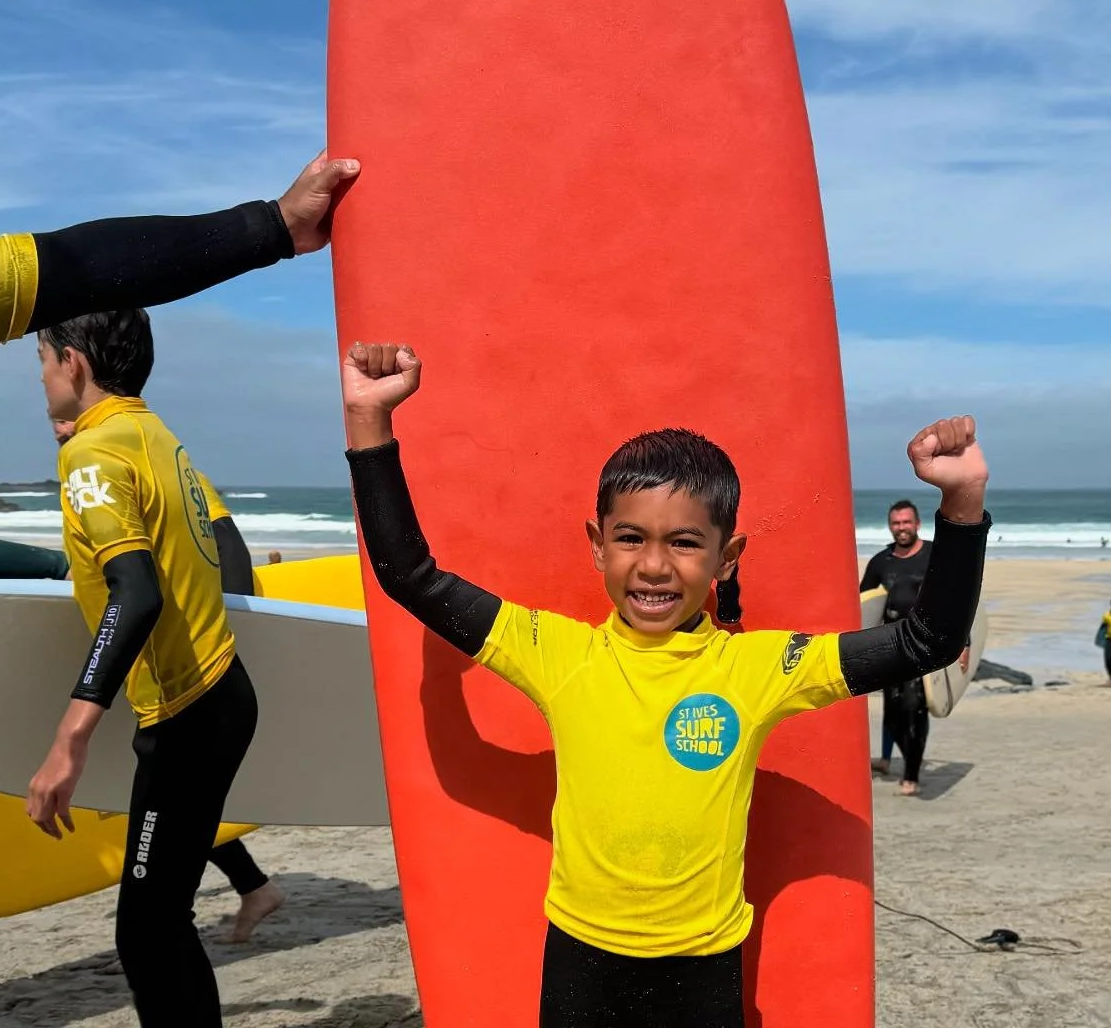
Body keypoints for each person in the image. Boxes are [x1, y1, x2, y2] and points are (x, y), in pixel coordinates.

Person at [341, 342, 988, 1028]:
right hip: (580, 961)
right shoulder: (556, 652)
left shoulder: (756, 669)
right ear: (597, 544)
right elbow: (409, 575)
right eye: (630, 538)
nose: (653, 566)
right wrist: (368, 421)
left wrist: (962, 501)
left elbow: (928, 641)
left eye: (683, 542)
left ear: (725, 556)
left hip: (703, 970)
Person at [27, 310, 258, 1025]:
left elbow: (136, 593)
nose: (39, 378)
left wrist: (70, 738)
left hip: (187, 719)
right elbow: (223, 552)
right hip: (222, 694)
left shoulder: (91, 456)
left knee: (148, 931)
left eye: (40, 361)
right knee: (161, 920)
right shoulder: (153, 434)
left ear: (72, 363)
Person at [48, 416, 284, 943]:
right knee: (170, 809)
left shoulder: (164, 471)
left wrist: (230, 629)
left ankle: (207, 911)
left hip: (192, 681)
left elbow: (228, 546)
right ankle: (247, 889)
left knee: (160, 848)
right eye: (54, 425)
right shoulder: (104, 470)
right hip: (157, 679)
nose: (61, 426)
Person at [0, 151, 359, 361]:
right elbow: (73, 270)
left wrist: (277, 226)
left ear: (71, 365)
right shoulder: (155, 445)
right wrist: (276, 226)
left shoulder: (98, 452)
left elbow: (71, 271)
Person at [858, 499, 961, 795]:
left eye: (906, 522)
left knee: (914, 709)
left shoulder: (933, 556)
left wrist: (962, 643)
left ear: (917, 524)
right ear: (890, 526)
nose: (901, 528)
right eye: (895, 523)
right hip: (891, 644)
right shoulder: (881, 562)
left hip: (924, 645)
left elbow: (954, 600)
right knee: (893, 709)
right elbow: (865, 603)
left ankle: (912, 774)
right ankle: (888, 760)